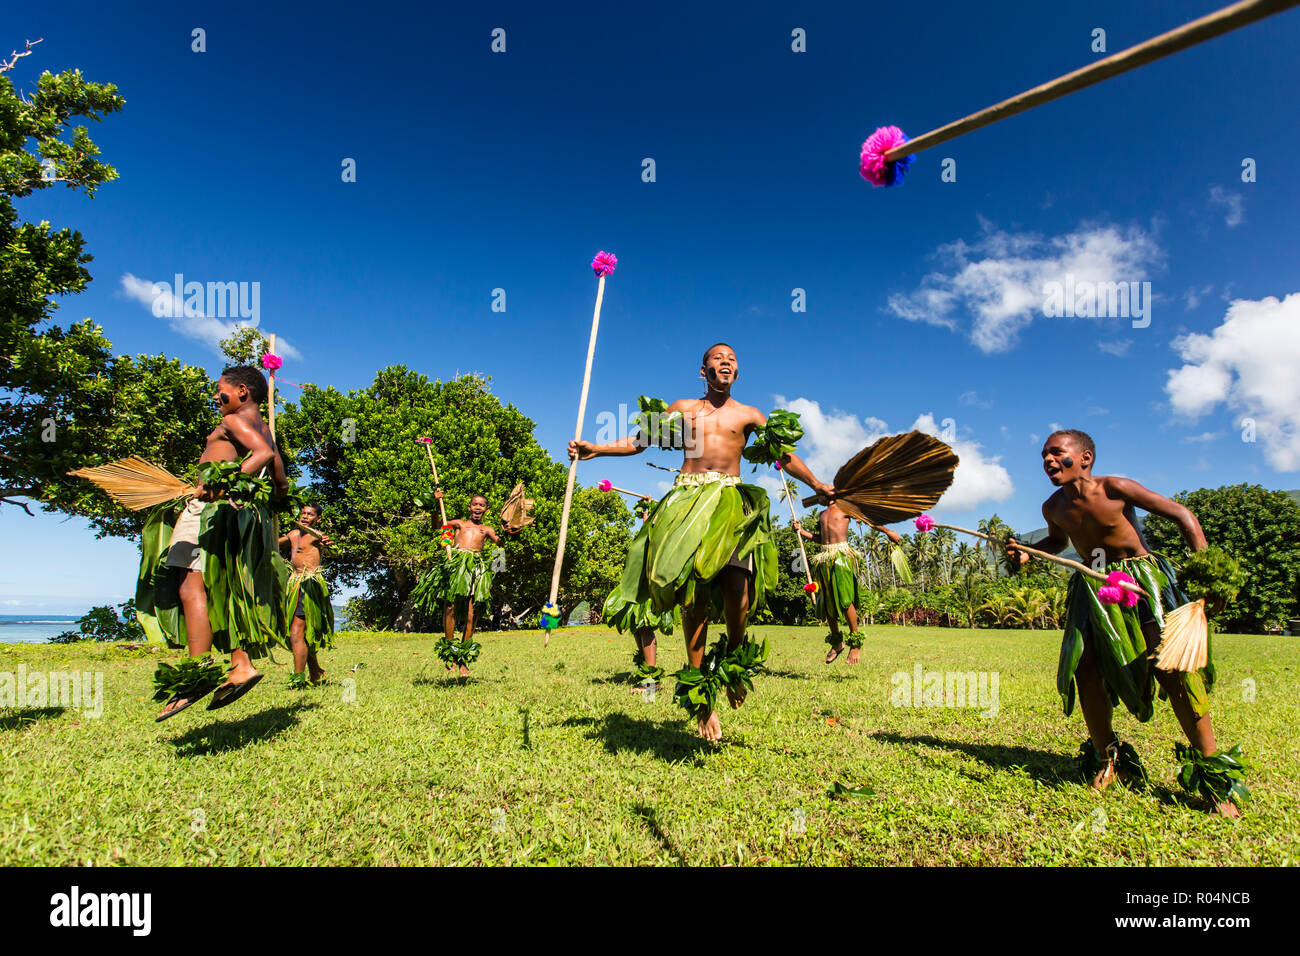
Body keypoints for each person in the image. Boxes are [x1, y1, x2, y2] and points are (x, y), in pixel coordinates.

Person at [571, 343, 833, 740]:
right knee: (692, 598)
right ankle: (701, 697)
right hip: (687, 502)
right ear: (703, 370)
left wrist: (816, 483)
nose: (725, 363)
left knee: (738, 594)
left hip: (730, 502)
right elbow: (639, 441)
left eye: (732, 360)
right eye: (718, 359)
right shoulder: (682, 409)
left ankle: (732, 663)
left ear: (737, 373)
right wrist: (597, 448)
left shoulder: (749, 415)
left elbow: (784, 455)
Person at [1007, 429, 1246, 817]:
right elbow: (1055, 542)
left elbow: (1183, 514)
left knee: (1174, 669)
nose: (1049, 461)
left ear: (1085, 457)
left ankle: (1213, 774)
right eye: (1044, 456)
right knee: (1085, 670)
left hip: (1142, 583)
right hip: (1094, 588)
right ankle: (1107, 757)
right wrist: (1027, 553)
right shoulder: (1053, 507)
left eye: (1057, 453)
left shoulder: (1115, 487)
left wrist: (1208, 573)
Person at [137, 366, 288, 720]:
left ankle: (197, 673)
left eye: (220, 392)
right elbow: (280, 481)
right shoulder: (265, 430)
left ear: (241, 392)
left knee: (188, 584)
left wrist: (216, 485)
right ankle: (239, 664)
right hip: (238, 516)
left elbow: (262, 457)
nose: (216, 398)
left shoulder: (234, 421)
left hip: (205, 513)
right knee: (220, 588)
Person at [412, 490, 505, 677]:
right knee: (450, 607)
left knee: (472, 613)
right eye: (475, 504)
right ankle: (449, 653)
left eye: (481, 505)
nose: (477, 507)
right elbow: (437, 526)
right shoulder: (459, 524)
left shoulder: (486, 529)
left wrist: (510, 530)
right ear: (469, 507)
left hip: (474, 569)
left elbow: (500, 542)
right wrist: (436, 508)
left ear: (486, 509)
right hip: (457, 565)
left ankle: (463, 657)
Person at [794, 503, 901, 664]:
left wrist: (887, 531)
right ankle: (837, 642)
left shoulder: (845, 508)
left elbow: (868, 520)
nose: (819, 496)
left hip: (841, 556)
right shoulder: (822, 514)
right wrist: (801, 532)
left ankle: (855, 643)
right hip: (824, 558)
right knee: (826, 602)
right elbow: (820, 538)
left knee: (845, 599)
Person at [277, 504, 335, 687]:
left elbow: (331, 547)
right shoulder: (293, 534)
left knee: (297, 632)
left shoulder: (317, 536)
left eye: (310, 514)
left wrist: (329, 543)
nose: (304, 516)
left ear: (318, 518)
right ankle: (316, 671)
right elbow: (272, 543)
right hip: (293, 584)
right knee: (300, 632)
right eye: (303, 513)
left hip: (308, 585)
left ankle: (298, 679)